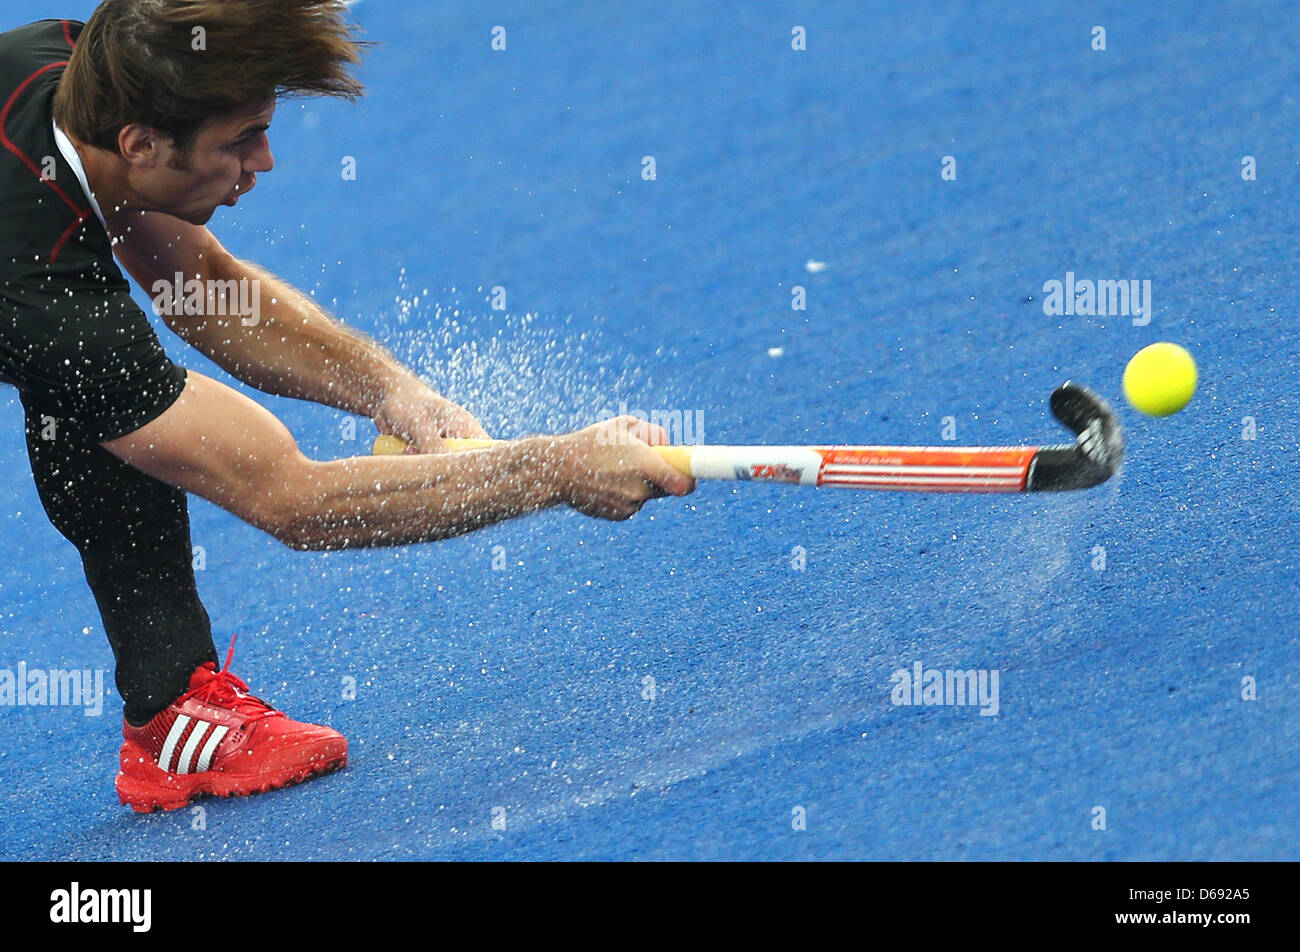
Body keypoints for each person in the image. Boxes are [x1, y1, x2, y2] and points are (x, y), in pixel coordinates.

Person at [0, 1, 692, 813]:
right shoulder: (37, 288)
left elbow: (205, 290)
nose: (264, 160)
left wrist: (393, 392)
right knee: (113, 398)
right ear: (140, 146)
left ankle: (172, 713)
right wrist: (556, 471)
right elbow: (292, 500)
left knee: (106, 403)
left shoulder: (82, 70)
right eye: (239, 140)